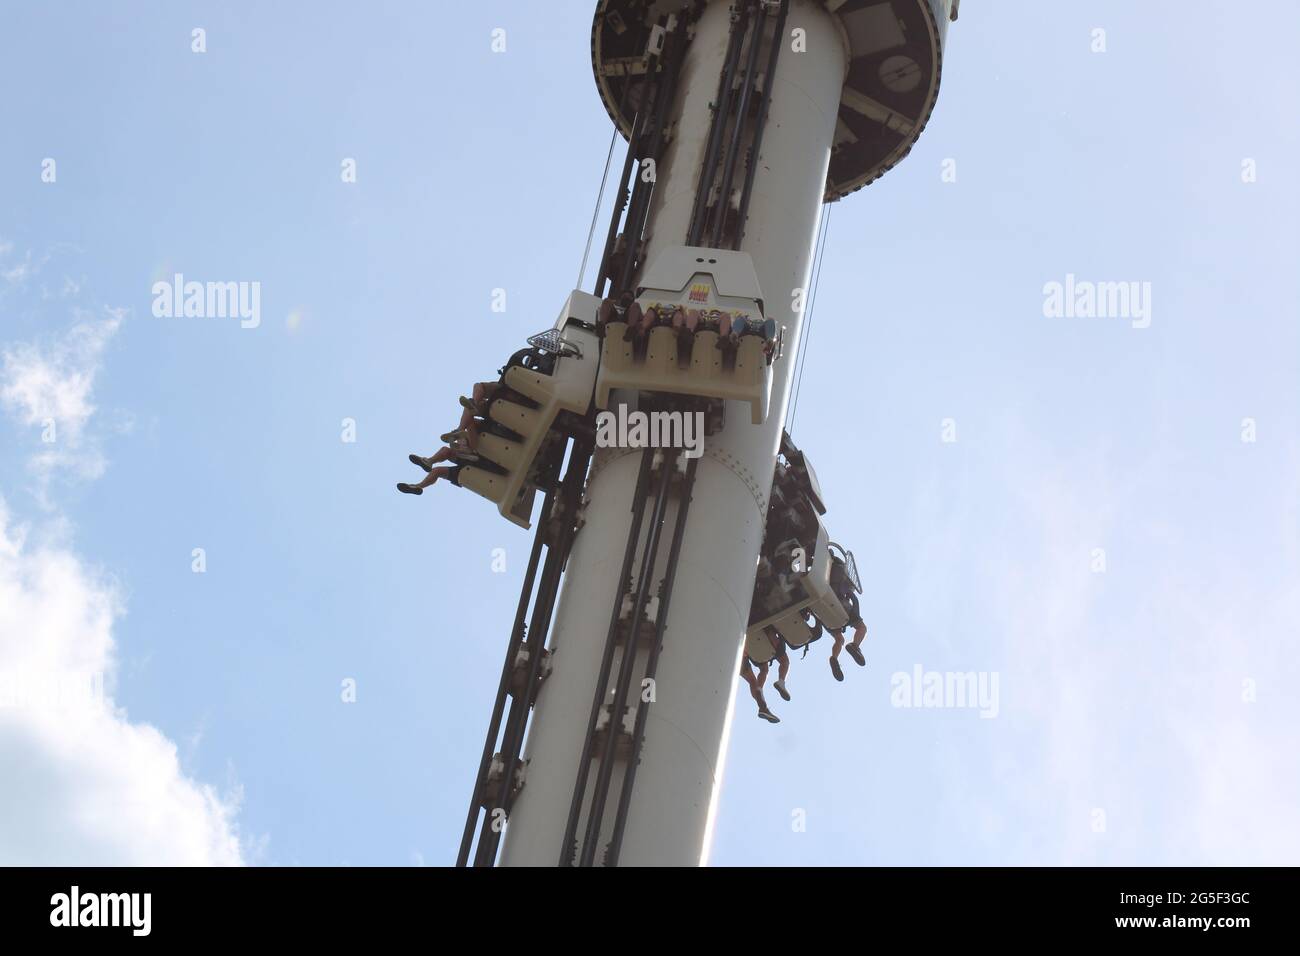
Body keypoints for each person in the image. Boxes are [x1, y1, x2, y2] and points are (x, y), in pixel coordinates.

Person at [739, 627, 789, 723]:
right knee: (782, 662)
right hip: (761, 636)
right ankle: (780, 682)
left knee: (754, 679)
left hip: (742, 649)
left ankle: (762, 704)